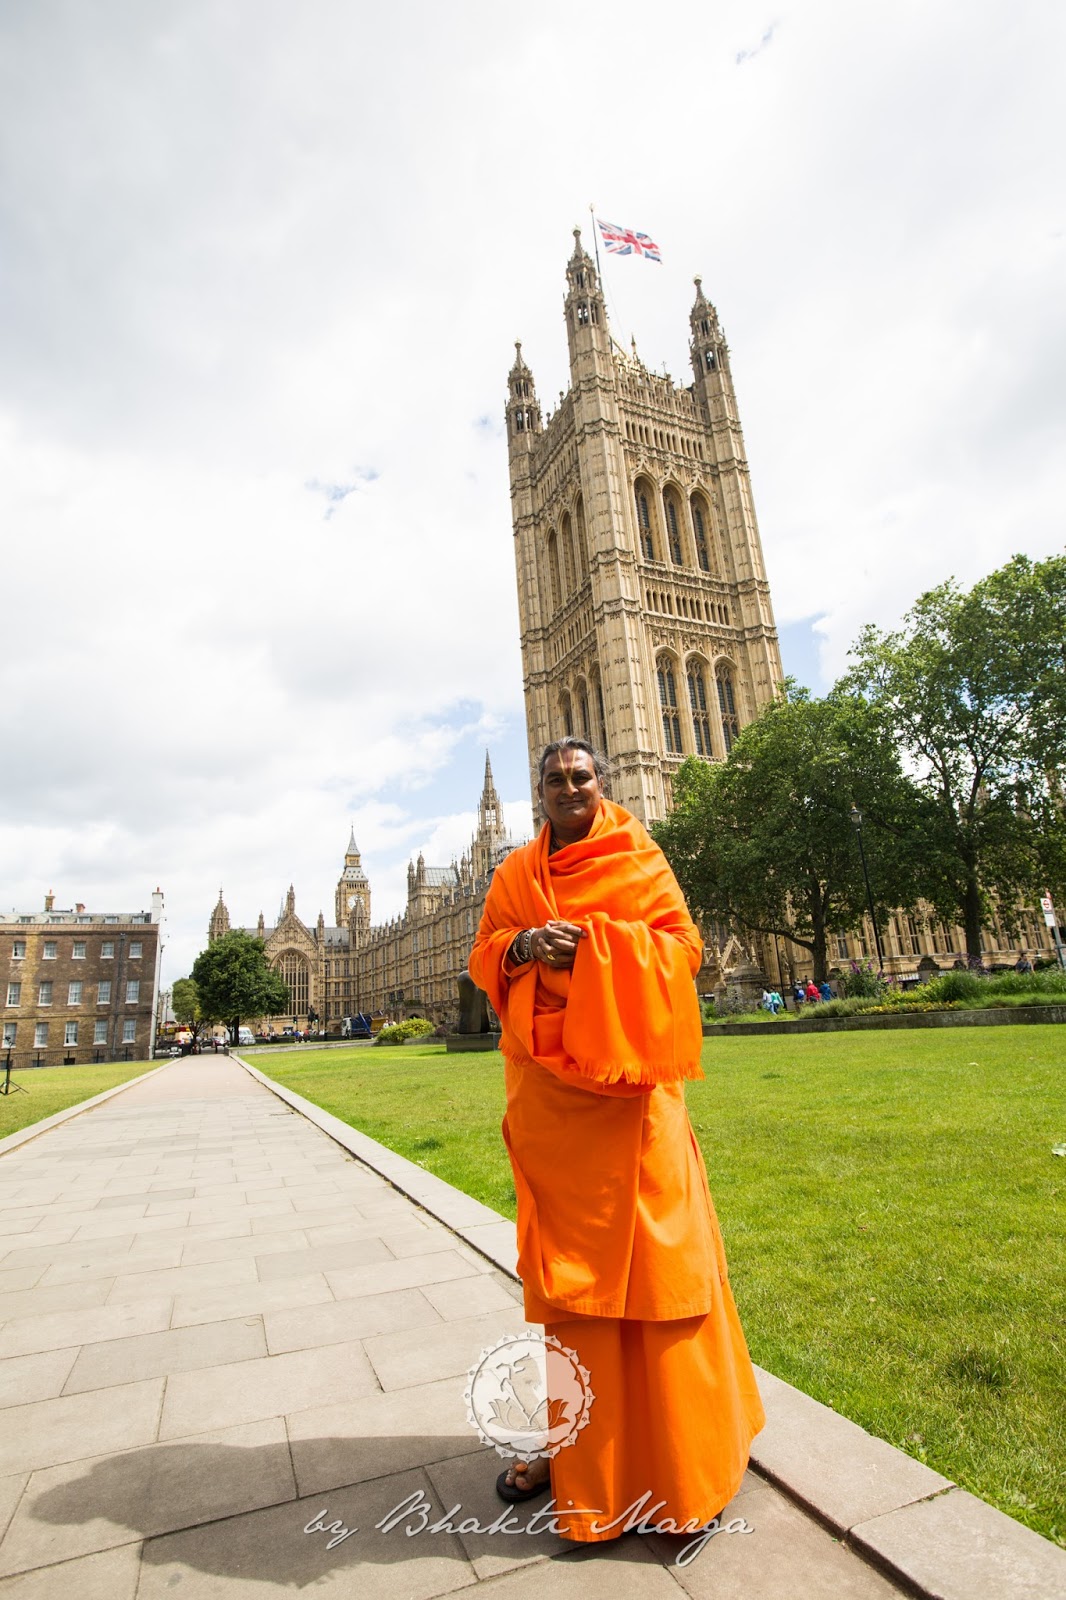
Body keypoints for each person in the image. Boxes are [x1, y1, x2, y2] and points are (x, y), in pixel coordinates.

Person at [469, 737, 765, 1544]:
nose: (569, 788)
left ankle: (683, 1466)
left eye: (581, 776)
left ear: (602, 783)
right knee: (577, 1300)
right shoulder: (514, 877)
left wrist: (598, 946)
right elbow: (485, 958)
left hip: (635, 1106)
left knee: (665, 1284)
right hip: (556, 1113)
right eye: (556, 780)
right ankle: (582, 1460)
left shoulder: (640, 856)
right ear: (539, 795)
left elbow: (685, 950)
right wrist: (528, 946)